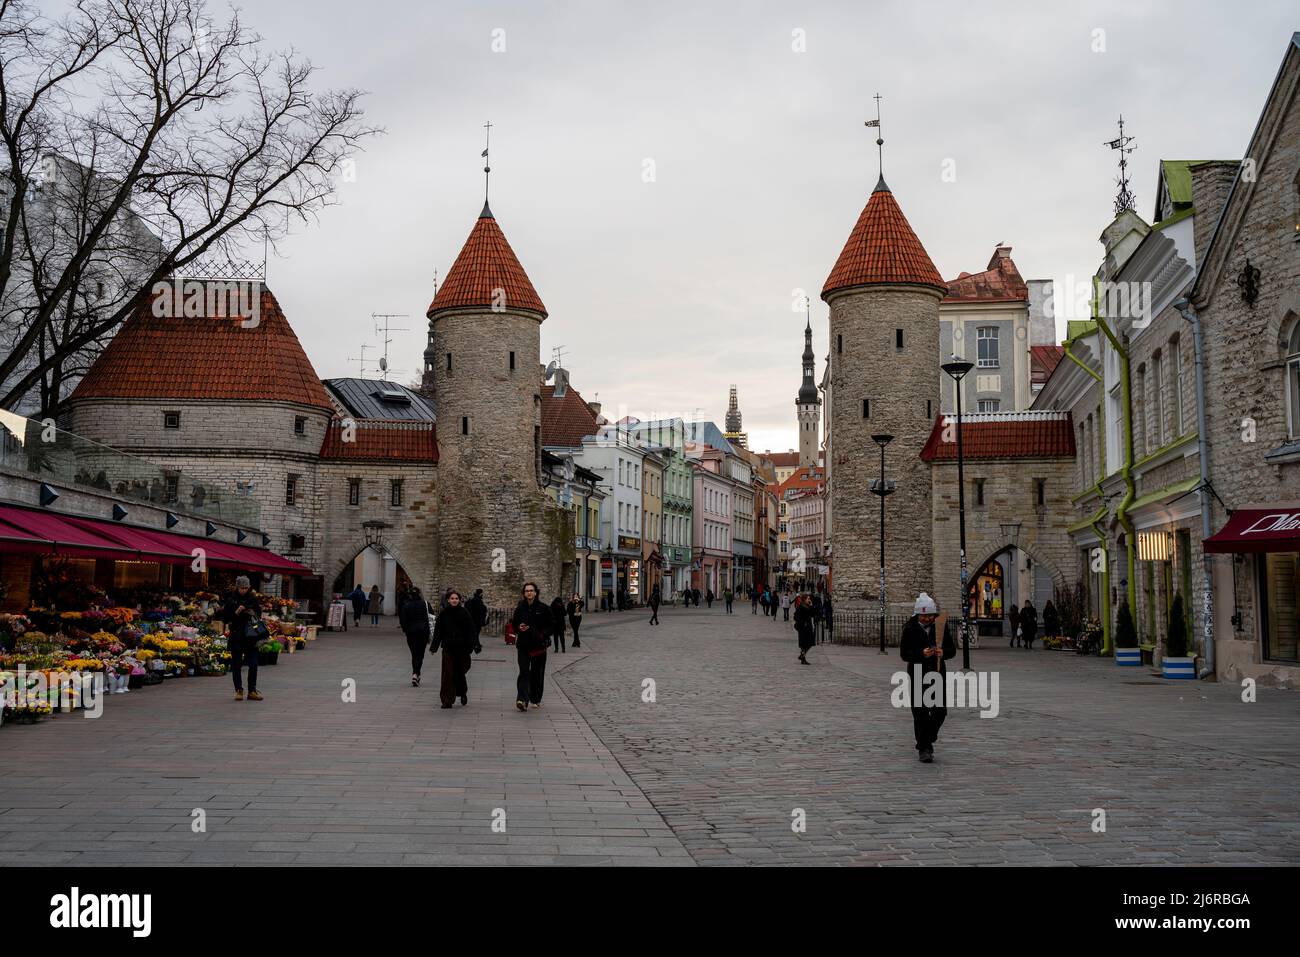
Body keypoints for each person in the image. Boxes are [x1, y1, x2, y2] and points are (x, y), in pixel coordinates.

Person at [900, 592, 955, 763]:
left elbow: (951, 650)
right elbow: (904, 654)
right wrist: (920, 654)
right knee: (920, 712)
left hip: (937, 672)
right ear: (918, 615)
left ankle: (926, 740)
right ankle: (924, 748)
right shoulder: (910, 628)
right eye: (924, 616)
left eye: (930, 615)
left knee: (939, 711)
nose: (927, 619)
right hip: (917, 672)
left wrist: (943, 652)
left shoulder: (940, 626)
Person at [217, 575, 264, 701]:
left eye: (245, 588)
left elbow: (259, 615)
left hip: (251, 636)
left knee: (253, 664)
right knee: (236, 664)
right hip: (237, 635)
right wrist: (236, 612)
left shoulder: (252, 599)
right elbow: (225, 618)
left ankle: (252, 690)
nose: (243, 590)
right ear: (237, 587)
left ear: (248, 587)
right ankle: (239, 690)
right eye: (241, 588)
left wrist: (251, 612)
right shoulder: (232, 599)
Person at [432, 589, 480, 707]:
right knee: (448, 673)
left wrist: (476, 644)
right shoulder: (443, 614)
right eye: (452, 598)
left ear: (459, 600)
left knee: (460, 671)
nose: (454, 600)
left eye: (456, 599)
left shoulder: (464, 613)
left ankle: (462, 692)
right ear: (448, 600)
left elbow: (471, 630)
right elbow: (438, 631)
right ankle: (447, 700)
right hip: (448, 647)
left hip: (462, 648)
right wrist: (434, 646)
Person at [512, 582, 552, 711]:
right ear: (524, 593)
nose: (529, 593)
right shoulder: (520, 608)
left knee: (537, 674)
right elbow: (514, 624)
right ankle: (522, 699)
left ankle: (535, 698)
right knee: (524, 672)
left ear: (535, 592)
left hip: (539, 646)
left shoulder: (543, 608)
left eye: (531, 590)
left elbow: (552, 625)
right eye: (527, 591)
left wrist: (542, 635)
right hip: (523, 645)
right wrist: (519, 627)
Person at [397, 586, 433, 686]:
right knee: (420, 654)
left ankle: (416, 673)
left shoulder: (406, 605)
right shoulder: (425, 604)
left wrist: (406, 630)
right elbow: (432, 616)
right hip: (423, 631)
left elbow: (403, 620)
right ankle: (416, 673)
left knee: (414, 653)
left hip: (411, 632)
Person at [793, 594, 816, 664]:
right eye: (807, 598)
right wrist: (803, 623)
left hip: (808, 627)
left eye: (809, 598)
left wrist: (811, 605)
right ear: (804, 599)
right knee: (804, 643)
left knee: (810, 643)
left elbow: (812, 614)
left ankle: (802, 656)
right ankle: (803, 658)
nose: (809, 600)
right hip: (803, 628)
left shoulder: (808, 606)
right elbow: (796, 617)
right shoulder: (800, 607)